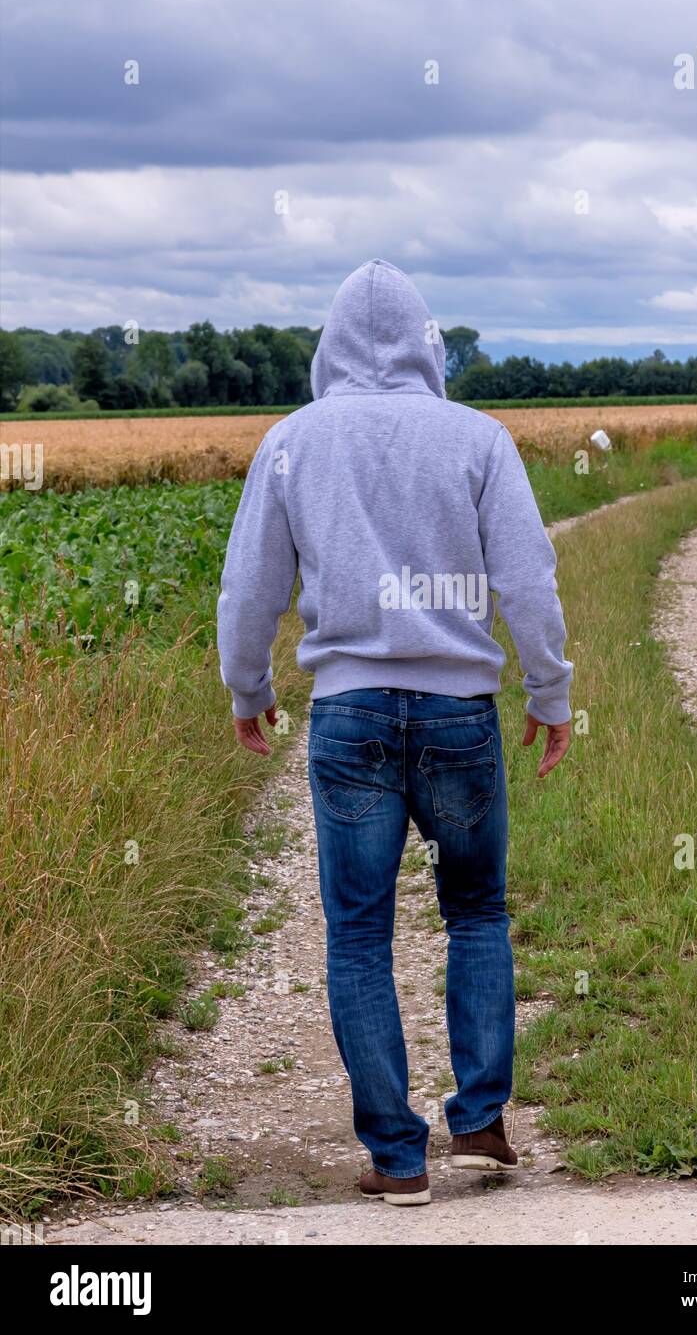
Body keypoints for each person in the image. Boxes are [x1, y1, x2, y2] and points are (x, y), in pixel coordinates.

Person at [217, 259, 572, 1206]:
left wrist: (245, 685)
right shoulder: (479, 438)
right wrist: (549, 692)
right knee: (478, 912)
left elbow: (251, 586)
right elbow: (528, 581)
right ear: (429, 343)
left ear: (329, 346)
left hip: (350, 714)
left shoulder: (292, 441)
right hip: (461, 714)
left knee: (360, 935)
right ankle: (482, 1124)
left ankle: (397, 1158)